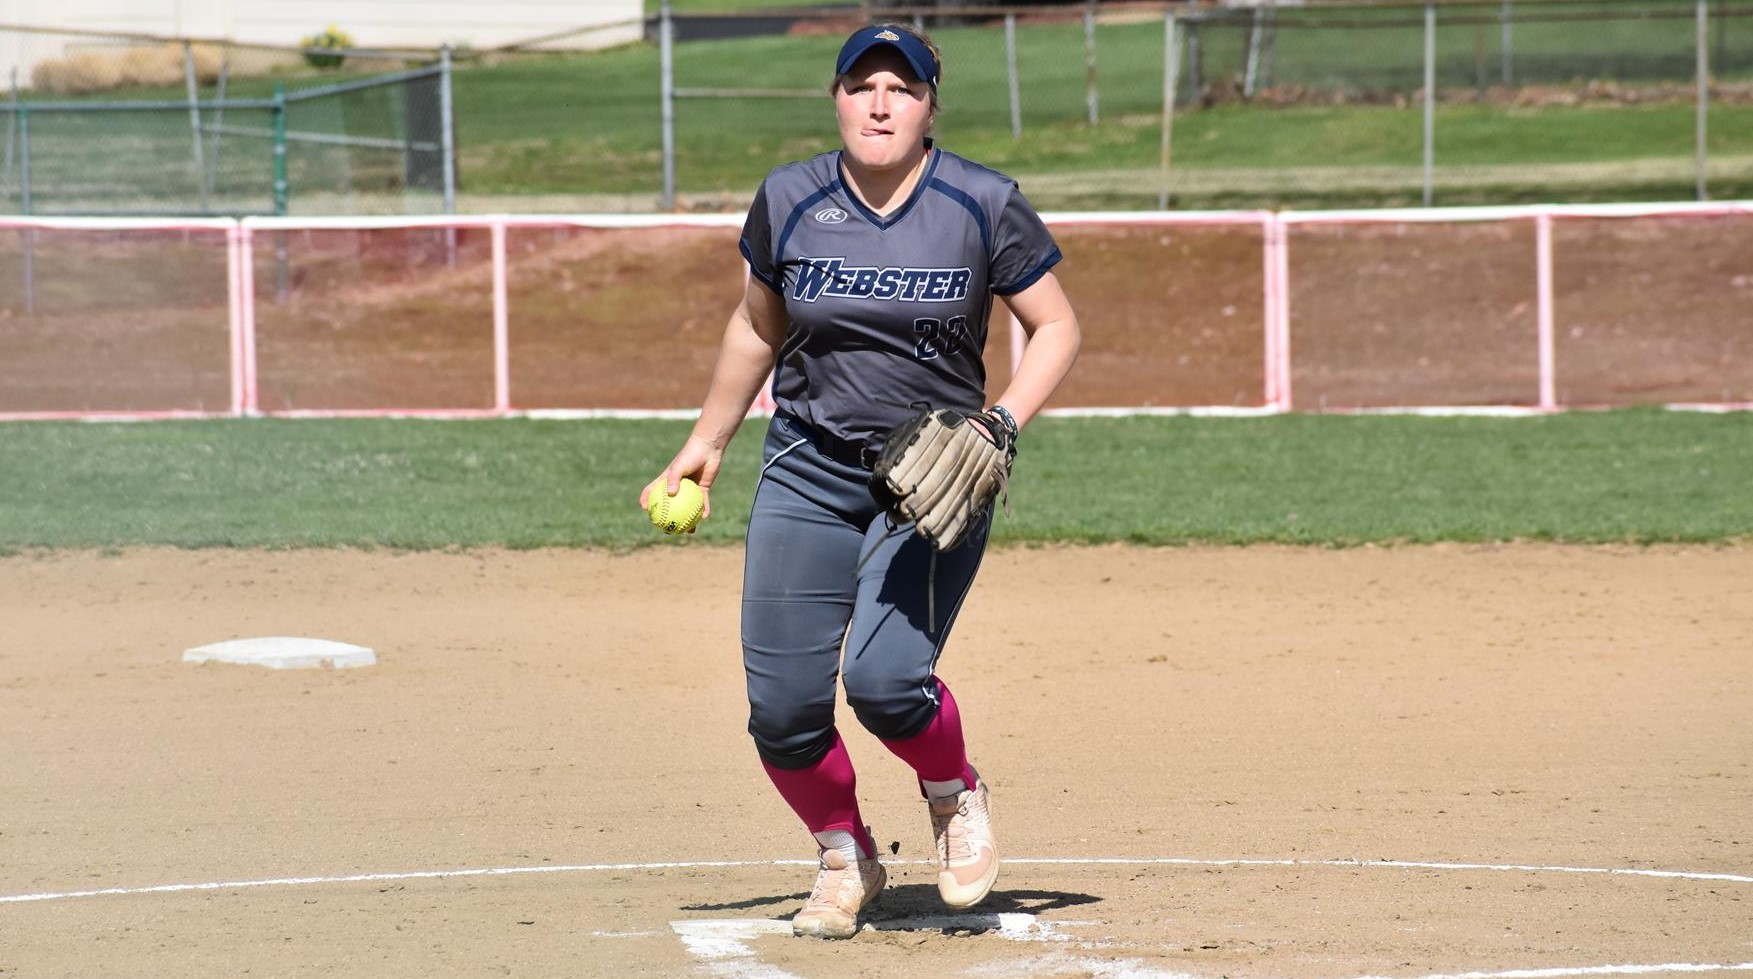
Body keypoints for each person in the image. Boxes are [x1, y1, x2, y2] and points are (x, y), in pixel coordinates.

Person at [640, 23, 1081, 940]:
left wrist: (999, 424)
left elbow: (1056, 328)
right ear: (836, 97)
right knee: (783, 711)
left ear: (929, 106)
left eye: (902, 88)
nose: (879, 104)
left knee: (886, 682)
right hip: (808, 465)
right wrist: (705, 441)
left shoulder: (980, 202)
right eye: (861, 85)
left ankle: (954, 797)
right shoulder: (791, 198)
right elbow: (758, 327)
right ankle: (845, 855)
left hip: (931, 476)